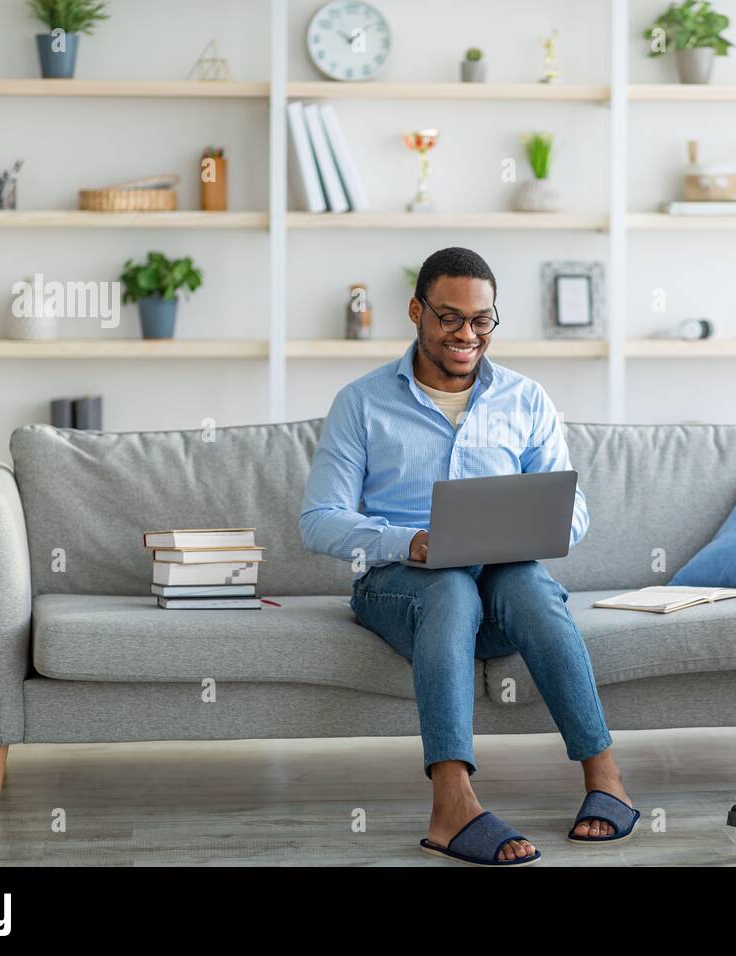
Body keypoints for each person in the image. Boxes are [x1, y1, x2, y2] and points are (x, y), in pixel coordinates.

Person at [300, 247, 638, 866]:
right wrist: (412, 542)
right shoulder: (362, 402)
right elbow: (318, 522)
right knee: (450, 587)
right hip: (402, 588)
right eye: (450, 318)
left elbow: (576, 509)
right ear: (416, 311)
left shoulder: (526, 398)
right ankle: (452, 805)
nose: (466, 335)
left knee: (532, 589)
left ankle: (605, 777)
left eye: (481, 320)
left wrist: (536, 527)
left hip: (501, 586)